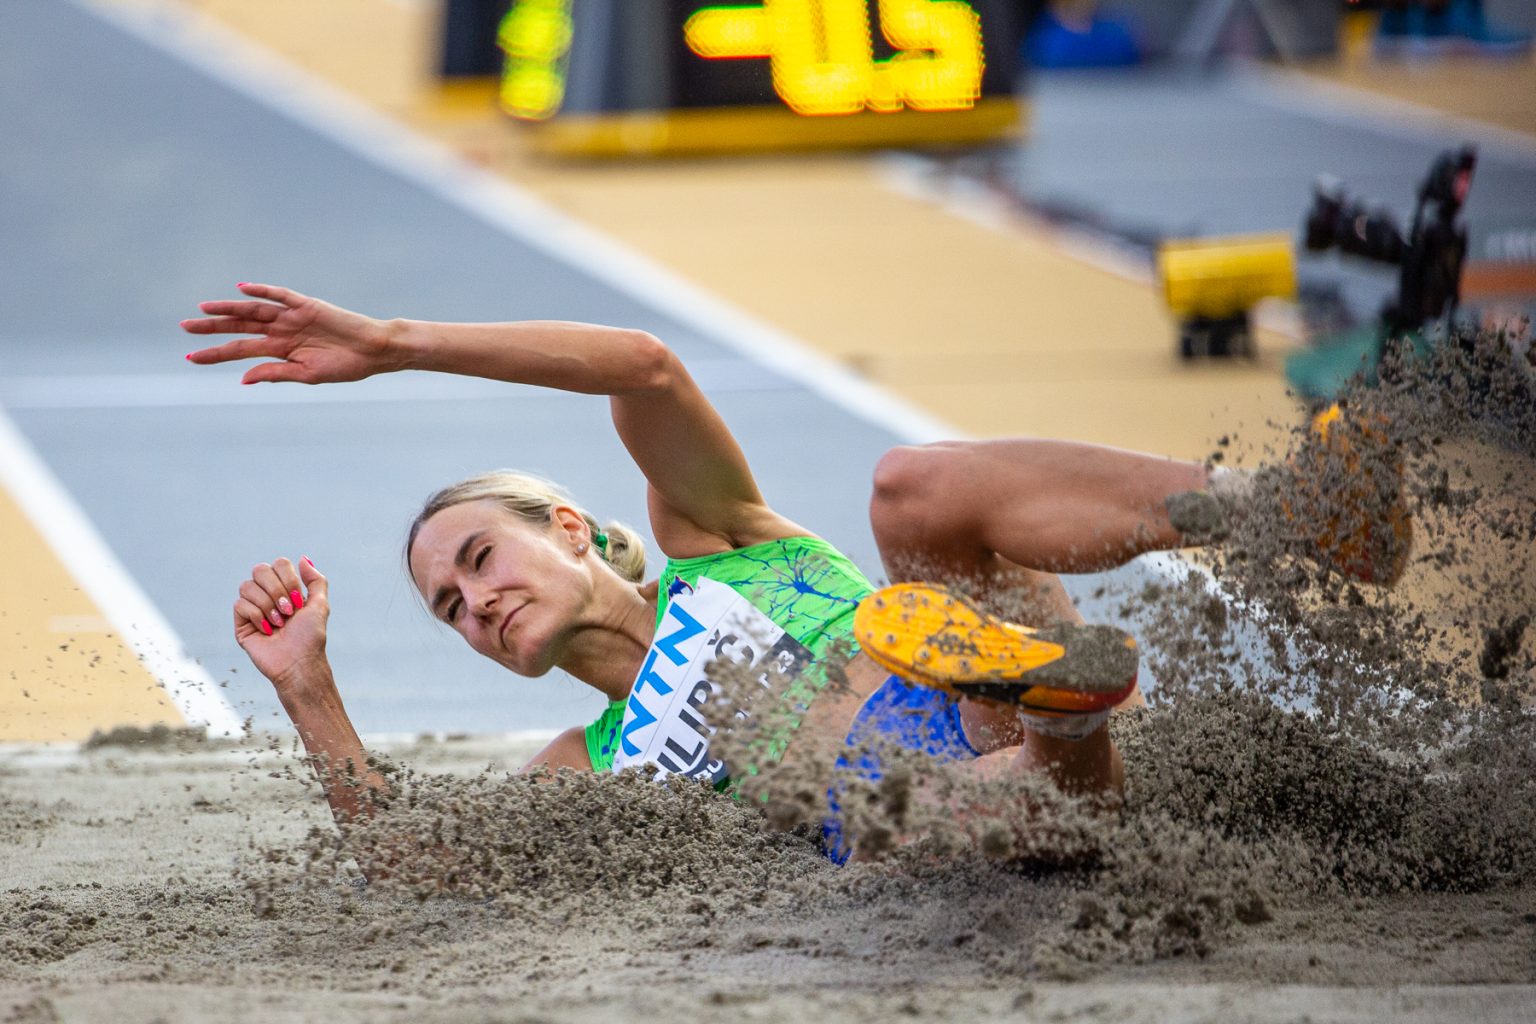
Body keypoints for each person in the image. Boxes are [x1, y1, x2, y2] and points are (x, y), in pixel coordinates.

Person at [180, 283, 1392, 862]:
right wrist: (308, 689)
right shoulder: (590, 765)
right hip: (962, 814)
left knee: (912, 487)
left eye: (482, 558)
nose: (476, 601)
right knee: (871, 782)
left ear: (576, 528)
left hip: (964, 683)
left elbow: (644, 369)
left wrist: (399, 343)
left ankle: (1294, 509)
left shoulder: (719, 539)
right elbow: (406, 861)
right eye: (451, 608)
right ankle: (1052, 714)